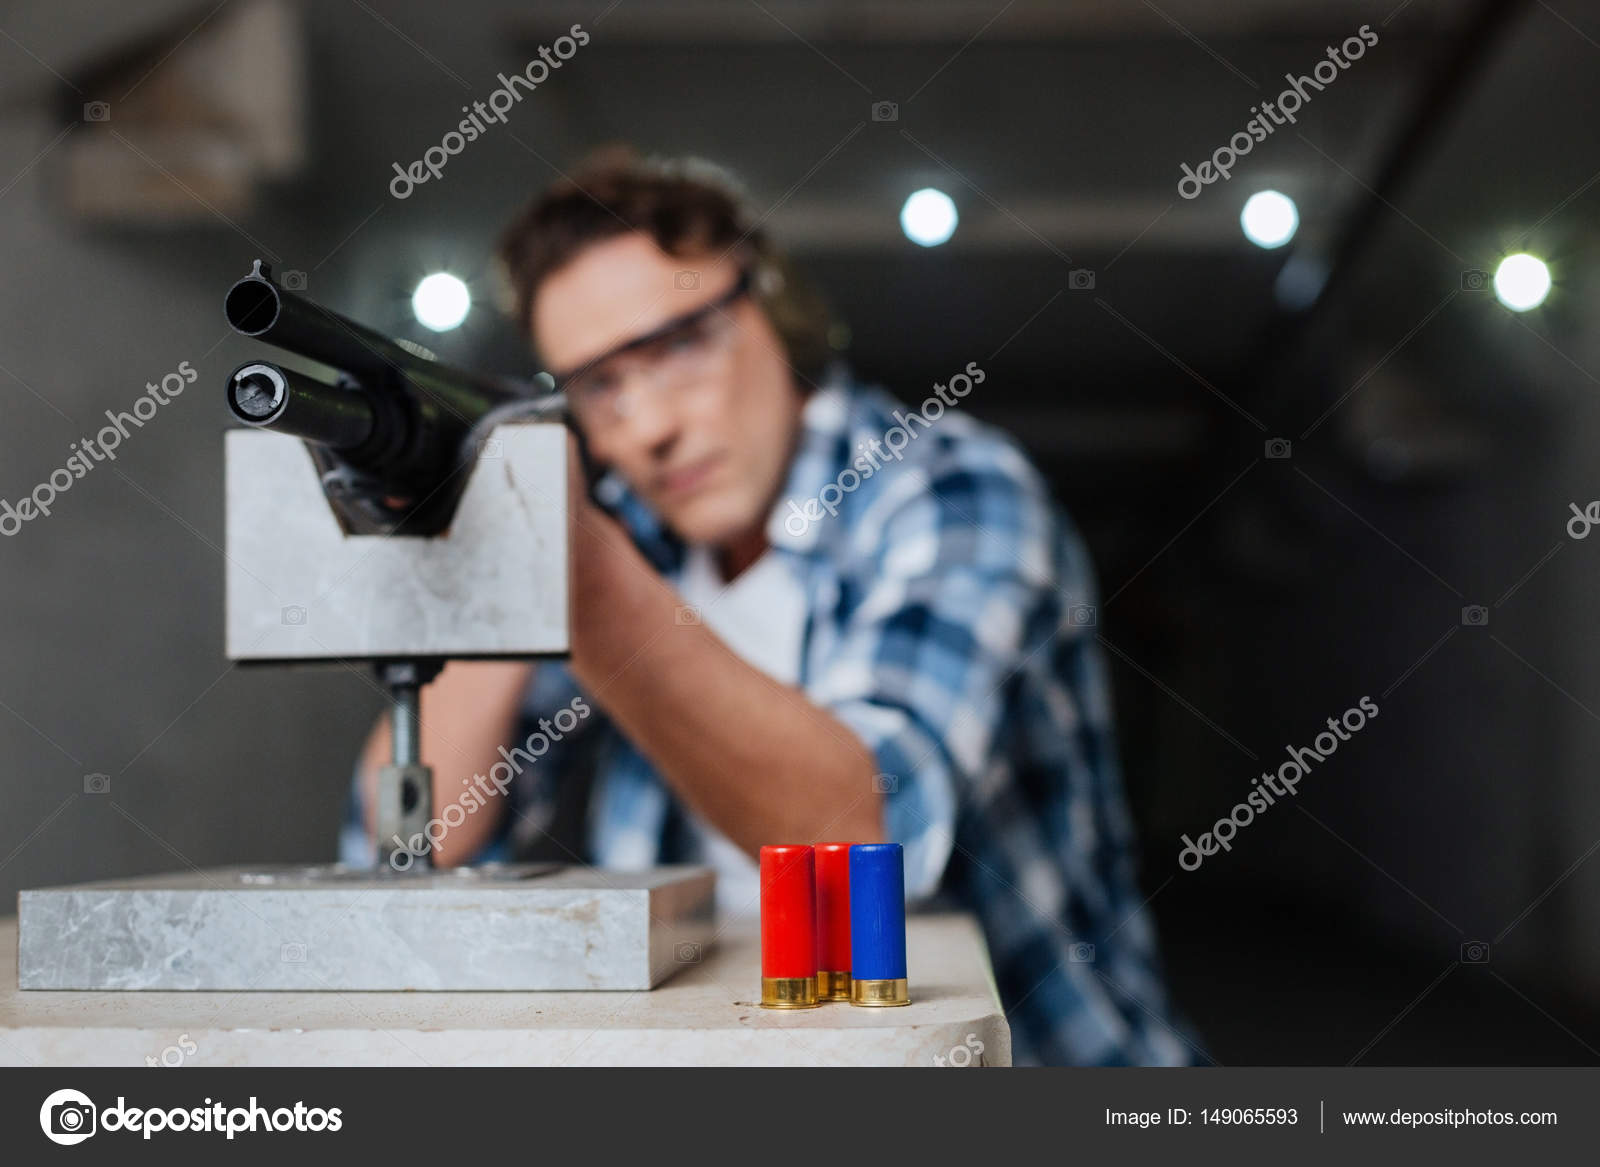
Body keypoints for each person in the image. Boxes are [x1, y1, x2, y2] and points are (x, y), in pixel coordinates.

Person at [343, 149, 1193, 1066]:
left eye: (675, 345)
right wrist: (495, 545)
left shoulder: (954, 491)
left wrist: (573, 563)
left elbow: (864, 833)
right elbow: (410, 844)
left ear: (775, 310)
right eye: (598, 384)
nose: (647, 424)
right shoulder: (628, 539)